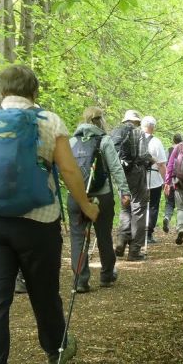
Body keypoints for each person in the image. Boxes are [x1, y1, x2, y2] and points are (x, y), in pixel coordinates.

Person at [0, 65, 100, 364]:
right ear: (34, 92)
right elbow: (67, 169)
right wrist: (86, 205)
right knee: (43, 291)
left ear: (1, 91)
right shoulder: (49, 122)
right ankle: (56, 351)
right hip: (38, 221)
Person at [68, 107, 131, 292]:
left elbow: (65, 169)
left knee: (78, 237)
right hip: (102, 196)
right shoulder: (104, 140)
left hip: (77, 196)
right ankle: (106, 275)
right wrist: (125, 191)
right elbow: (115, 168)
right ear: (100, 121)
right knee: (103, 235)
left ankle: (80, 280)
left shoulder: (71, 141)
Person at [112, 110, 151, 261]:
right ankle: (134, 251)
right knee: (139, 209)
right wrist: (151, 159)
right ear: (136, 122)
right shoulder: (139, 133)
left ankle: (121, 240)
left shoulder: (115, 132)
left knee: (125, 207)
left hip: (120, 175)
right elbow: (143, 155)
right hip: (135, 174)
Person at [142, 116, 168, 245]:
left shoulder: (135, 140)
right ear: (153, 127)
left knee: (138, 206)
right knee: (152, 206)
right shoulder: (156, 142)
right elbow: (162, 164)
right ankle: (148, 234)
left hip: (137, 179)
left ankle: (137, 233)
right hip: (153, 179)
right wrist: (166, 181)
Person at [162, 132, 183, 233]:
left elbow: (166, 165)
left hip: (170, 180)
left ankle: (167, 217)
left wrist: (165, 181)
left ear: (173, 140)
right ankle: (179, 227)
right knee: (181, 205)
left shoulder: (169, 150)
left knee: (169, 203)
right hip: (180, 181)